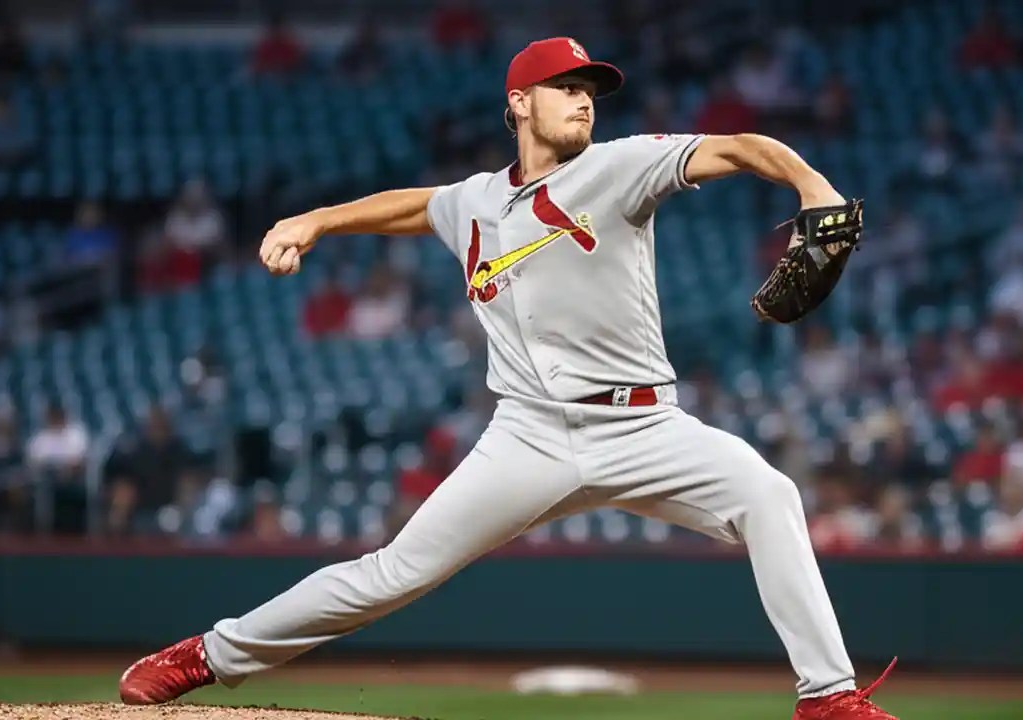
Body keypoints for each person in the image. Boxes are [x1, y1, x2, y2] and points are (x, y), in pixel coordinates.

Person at [119, 37, 899, 719]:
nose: (584, 102)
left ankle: (827, 696)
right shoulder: (476, 201)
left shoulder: (622, 168)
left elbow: (738, 148)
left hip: (644, 426)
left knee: (769, 494)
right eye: (568, 87)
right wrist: (315, 220)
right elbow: (414, 205)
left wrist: (811, 186)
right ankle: (208, 656)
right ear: (520, 101)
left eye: (591, 91)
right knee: (389, 574)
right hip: (526, 434)